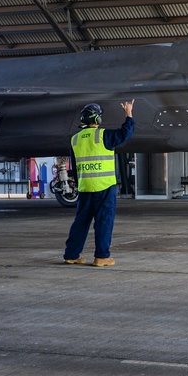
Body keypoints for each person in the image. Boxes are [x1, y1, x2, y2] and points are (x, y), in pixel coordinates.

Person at [62, 100, 135, 267]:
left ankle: (71, 254)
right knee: (104, 221)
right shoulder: (103, 135)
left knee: (81, 221)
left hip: (85, 187)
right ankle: (101, 256)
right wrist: (128, 114)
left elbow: (74, 167)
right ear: (97, 119)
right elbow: (126, 133)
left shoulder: (75, 139)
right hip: (104, 186)